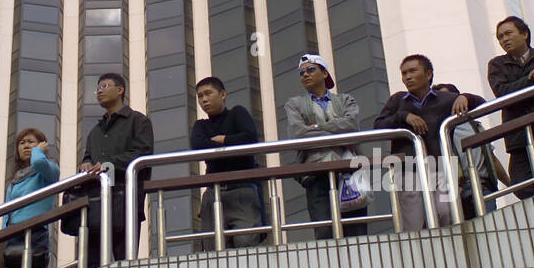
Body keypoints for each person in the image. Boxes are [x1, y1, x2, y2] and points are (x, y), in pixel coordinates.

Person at [374, 56, 485, 230]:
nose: (407, 77)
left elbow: (481, 104)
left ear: (428, 74)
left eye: (413, 71)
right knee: (414, 223)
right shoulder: (398, 100)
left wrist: (465, 97)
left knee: (447, 213)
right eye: (404, 73)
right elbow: (378, 126)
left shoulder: (444, 99)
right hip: (408, 170)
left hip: (441, 167)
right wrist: (404, 117)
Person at [284, 55, 366, 239]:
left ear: (325, 73)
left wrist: (318, 127)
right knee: (324, 232)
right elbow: (298, 134)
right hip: (315, 173)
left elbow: (352, 126)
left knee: (357, 233)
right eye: (301, 72)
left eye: (311, 70)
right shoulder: (294, 104)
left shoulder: (345, 100)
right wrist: (338, 130)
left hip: (349, 172)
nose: (305, 74)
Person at [78, 73, 153, 268]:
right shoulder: (95, 131)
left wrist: (109, 163)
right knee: (89, 266)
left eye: (104, 86)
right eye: (98, 88)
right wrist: (86, 163)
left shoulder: (138, 121)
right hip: (96, 204)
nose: (99, 92)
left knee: (124, 263)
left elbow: (143, 154)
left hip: (126, 201)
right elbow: (88, 155)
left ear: (120, 90)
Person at [190, 77, 266, 249]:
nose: (204, 99)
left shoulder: (237, 113)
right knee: (213, 250)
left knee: (246, 244)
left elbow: (250, 138)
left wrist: (223, 139)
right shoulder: (200, 125)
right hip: (213, 192)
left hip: (242, 189)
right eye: (200, 96)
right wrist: (232, 144)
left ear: (223, 94)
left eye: (208, 93)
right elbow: (199, 147)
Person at [0, 130, 60, 268]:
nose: (25, 146)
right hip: (13, 235)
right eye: (22, 143)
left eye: (31, 142)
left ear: (41, 145)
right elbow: (7, 213)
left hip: (35, 233)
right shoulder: (15, 180)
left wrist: (40, 151)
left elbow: (38, 163)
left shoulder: (49, 169)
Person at [486, 15, 534, 197]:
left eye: (508, 34)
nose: (504, 39)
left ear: (524, 34)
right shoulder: (497, 64)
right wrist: (530, 79)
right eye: (500, 37)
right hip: (519, 138)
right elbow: (502, 92)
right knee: (523, 187)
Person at [433, 84, 501, 220]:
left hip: (484, 185)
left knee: (489, 228)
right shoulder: (439, 131)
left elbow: (491, 158)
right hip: (458, 189)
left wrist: (511, 184)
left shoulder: (475, 125)